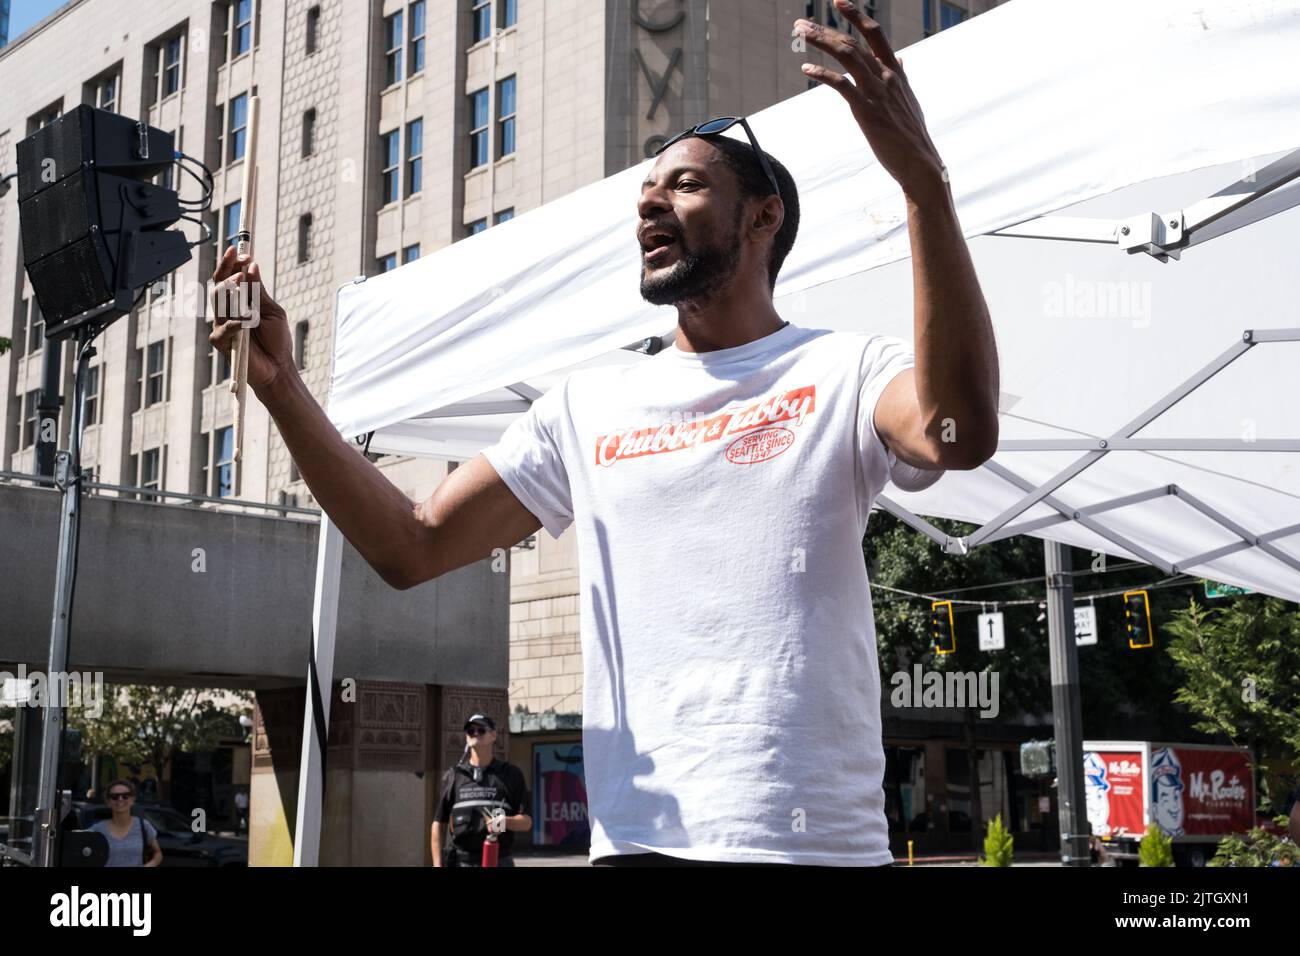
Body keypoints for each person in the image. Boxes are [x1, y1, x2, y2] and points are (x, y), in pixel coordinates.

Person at [209, 0, 998, 866]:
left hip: (812, 848)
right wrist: (280, 388)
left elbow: (955, 434)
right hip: (635, 848)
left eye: (687, 186)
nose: (652, 206)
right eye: (646, 194)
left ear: (764, 217)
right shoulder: (586, 407)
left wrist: (925, 184)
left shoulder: (843, 370)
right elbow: (411, 545)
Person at [431, 715, 531, 867]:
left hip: (498, 860)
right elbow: (438, 822)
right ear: (466, 738)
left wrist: (504, 822)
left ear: (493, 736)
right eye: (471, 731)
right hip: (460, 861)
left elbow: (526, 822)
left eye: (481, 730)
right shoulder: (454, 775)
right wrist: (437, 864)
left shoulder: (510, 774)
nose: (476, 733)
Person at [89, 780, 163, 868]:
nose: (120, 799)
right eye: (114, 796)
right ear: (108, 801)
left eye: (125, 796)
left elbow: (158, 853)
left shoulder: (143, 825)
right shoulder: (97, 830)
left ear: (132, 800)